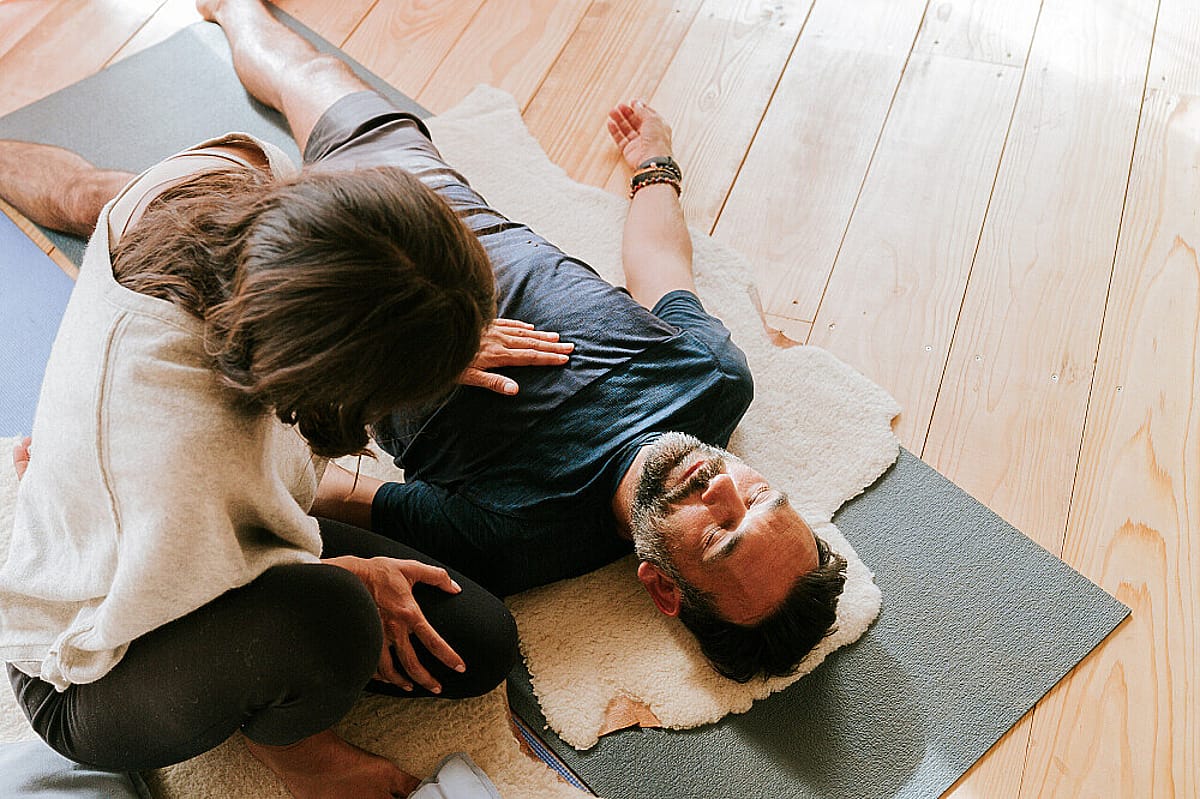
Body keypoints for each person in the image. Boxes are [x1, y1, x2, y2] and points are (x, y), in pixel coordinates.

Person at [0, 1, 583, 794]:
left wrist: (436, 314)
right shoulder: (191, 451)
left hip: (175, 528)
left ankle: (304, 633)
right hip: (94, 657)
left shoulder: (238, 177)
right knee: (331, 623)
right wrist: (337, 569)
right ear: (325, 376)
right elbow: (176, 602)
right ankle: (300, 760)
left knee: (475, 641)